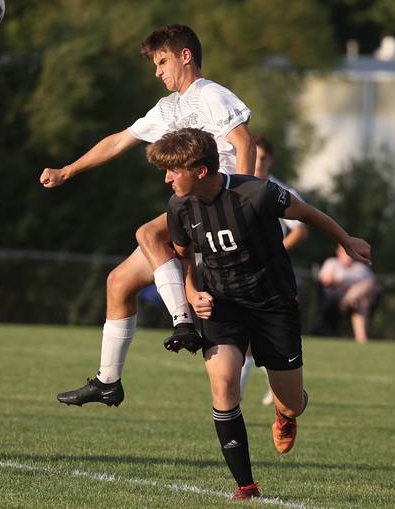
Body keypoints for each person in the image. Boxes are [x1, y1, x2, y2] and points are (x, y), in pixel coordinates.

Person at [146, 128, 371, 499]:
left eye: (173, 171)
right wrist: (193, 293)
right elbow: (184, 258)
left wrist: (346, 241)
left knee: (292, 402)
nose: (167, 179)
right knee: (224, 385)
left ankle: (285, 415)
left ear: (200, 171)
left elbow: (307, 213)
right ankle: (246, 486)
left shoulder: (256, 193)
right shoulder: (179, 207)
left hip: (274, 305)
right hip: (223, 306)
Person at [40, 25, 256, 407]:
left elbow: (244, 142)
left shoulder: (210, 94)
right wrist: (67, 171)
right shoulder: (168, 108)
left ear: (185, 56)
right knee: (119, 282)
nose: (158, 71)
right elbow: (118, 141)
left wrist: (243, 199)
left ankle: (183, 320)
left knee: (149, 234)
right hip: (190, 209)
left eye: (162, 61)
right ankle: (108, 382)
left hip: (216, 201)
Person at [239, 134, 308, 405]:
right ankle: (241, 392)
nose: (259, 161)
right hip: (243, 270)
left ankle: (275, 387)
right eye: (255, 155)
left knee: (268, 335)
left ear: (271, 160)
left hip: (270, 274)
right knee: (246, 335)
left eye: (264, 157)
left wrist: (274, 251)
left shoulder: (277, 190)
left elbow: (300, 229)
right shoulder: (237, 184)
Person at [312, 244, 377, 342]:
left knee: (363, 299)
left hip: (355, 301)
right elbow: (325, 281)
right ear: (338, 252)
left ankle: (361, 338)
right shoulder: (332, 263)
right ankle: (348, 301)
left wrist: (355, 294)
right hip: (334, 300)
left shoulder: (361, 269)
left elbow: (373, 286)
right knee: (361, 301)